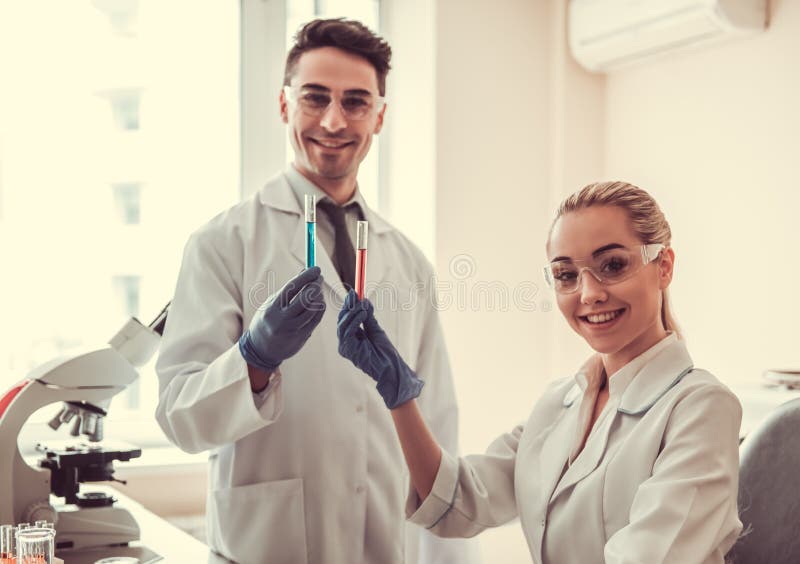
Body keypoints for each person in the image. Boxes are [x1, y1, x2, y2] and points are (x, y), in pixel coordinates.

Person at [156, 18, 475, 564]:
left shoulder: (409, 262)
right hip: (265, 546)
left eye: (355, 102)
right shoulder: (223, 243)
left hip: (384, 545)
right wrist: (254, 360)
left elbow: (437, 428)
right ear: (284, 104)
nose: (333, 120)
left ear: (379, 116)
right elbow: (180, 419)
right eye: (315, 97)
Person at [337, 181, 743, 563]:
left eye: (613, 265)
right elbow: (455, 502)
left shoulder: (701, 408)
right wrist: (400, 397)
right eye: (566, 275)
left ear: (664, 265)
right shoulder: (559, 404)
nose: (589, 293)